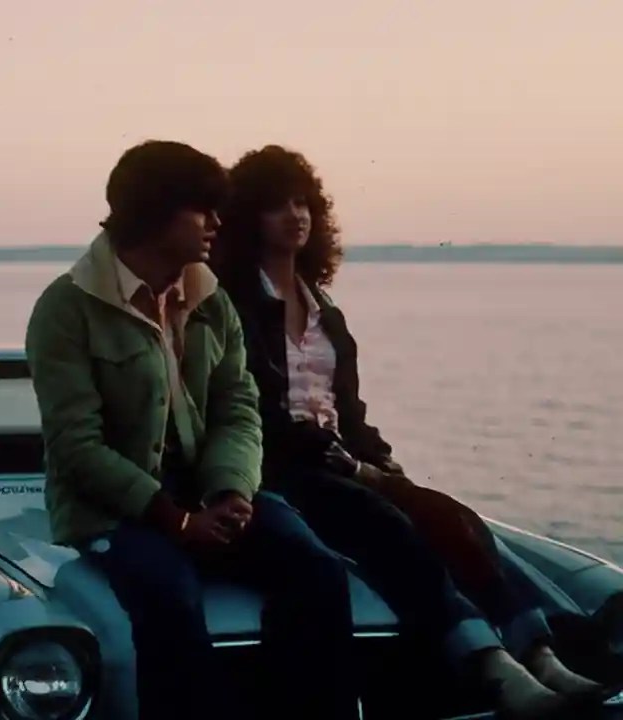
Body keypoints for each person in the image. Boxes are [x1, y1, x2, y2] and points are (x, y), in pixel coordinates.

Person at [211, 143, 616, 718]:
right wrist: (351, 466)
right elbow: (249, 409)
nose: (295, 216)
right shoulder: (236, 306)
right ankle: (492, 668)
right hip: (280, 470)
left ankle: (542, 654)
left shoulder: (324, 309)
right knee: (391, 527)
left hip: (342, 463)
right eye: (278, 205)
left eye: (303, 203)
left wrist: (380, 462)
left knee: (457, 520)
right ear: (250, 216)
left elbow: (348, 412)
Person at [24, 139, 361, 720]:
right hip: (116, 512)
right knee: (170, 596)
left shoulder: (211, 300)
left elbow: (238, 407)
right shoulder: (66, 308)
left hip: (208, 495)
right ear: (155, 212)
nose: (216, 222)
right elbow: (77, 447)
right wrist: (175, 521)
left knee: (318, 571)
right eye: (201, 209)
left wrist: (231, 491)